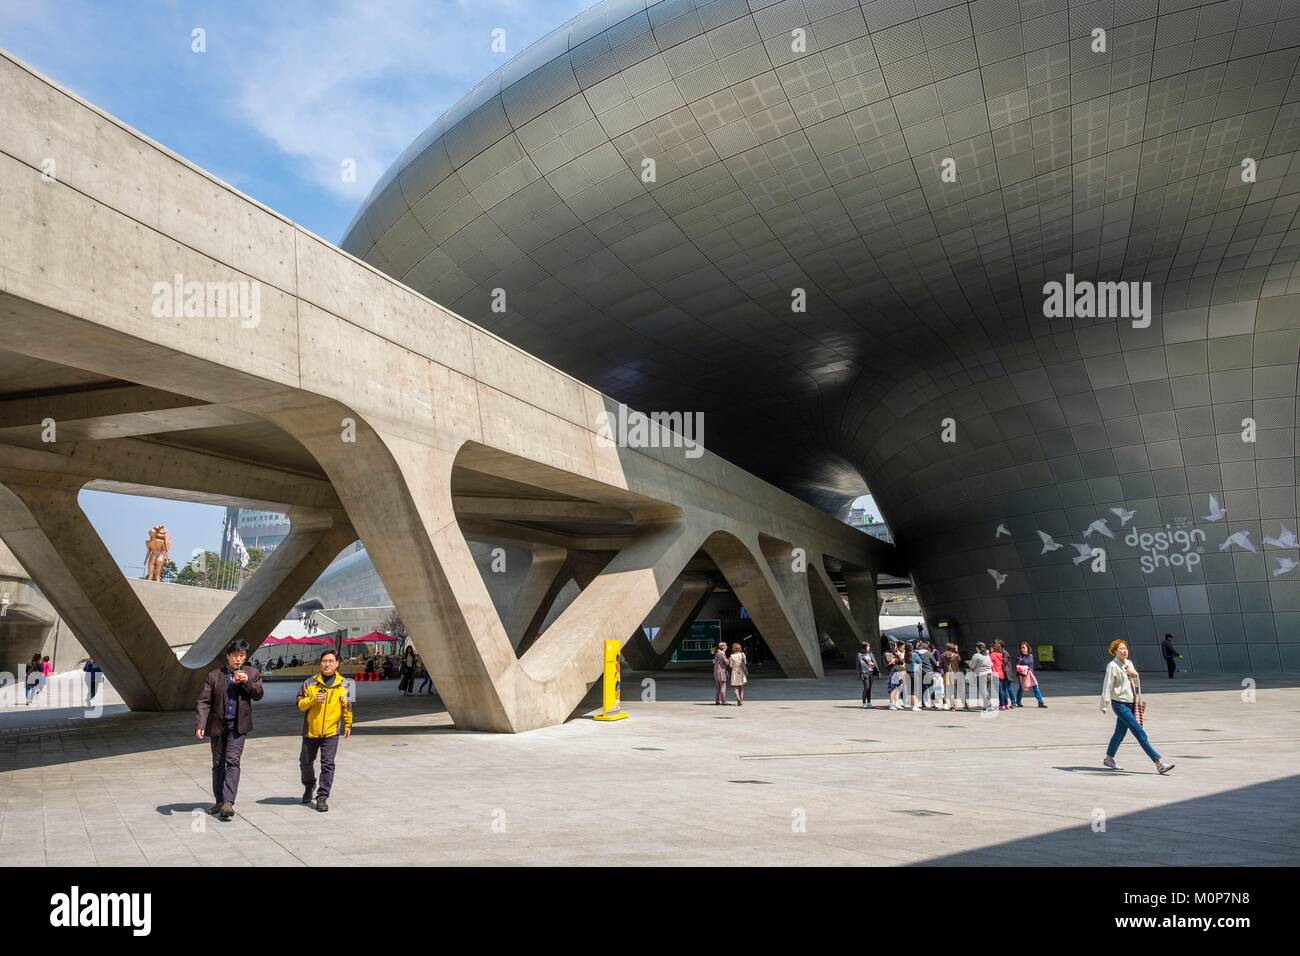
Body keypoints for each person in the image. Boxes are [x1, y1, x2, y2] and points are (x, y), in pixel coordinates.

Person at [194, 639, 264, 820]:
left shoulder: (253, 673)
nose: (238, 659)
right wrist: (201, 724)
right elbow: (204, 701)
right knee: (218, 763)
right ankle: (219, 800)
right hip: (217, 725)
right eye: (235, 655)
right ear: (228, 656)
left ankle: (228, 802)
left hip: (238, 727)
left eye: (241, 656)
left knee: (232, 761)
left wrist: (247, 683)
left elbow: (258, 695)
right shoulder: (214, 675)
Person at [1101, 639, 1175, 774]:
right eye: (1121, 649)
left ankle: (1109, 758)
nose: (1124, 651)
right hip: (1119, 704)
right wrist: (1104, 704)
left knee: (1119, 733)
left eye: (1125, 648)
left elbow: (1135, 678)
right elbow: (1108, 684)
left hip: (1130, 703)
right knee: (1139, 732)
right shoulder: (1112, 666)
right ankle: (1158, 763)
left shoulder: (1129, 663)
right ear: (1115, 652)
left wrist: (1134, 674)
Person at [297, 650, 353, 812]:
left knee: (328, 764)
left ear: (337, 664)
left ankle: (322, 797)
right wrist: (312, 700)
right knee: (305, 762)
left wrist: (348, 724)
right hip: (311, 731)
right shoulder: (309, 683)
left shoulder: (346, 684)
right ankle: (309, 785)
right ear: (320, 663)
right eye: (324, 661)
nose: (327, 664)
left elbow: (347, 706)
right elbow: (299, 704)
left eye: (330, 661)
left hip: (331, 732)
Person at [1014, 642, 1046, 708]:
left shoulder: (1031, 656)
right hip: (1023, 676)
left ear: (1027, 648)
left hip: (1031, 675)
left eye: (1024, 647)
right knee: (1021, 688)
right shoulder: (1020, 658)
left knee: (1036, 687)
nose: (1022, 649)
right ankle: (1018, 702)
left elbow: (1031, 666)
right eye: (1021, 648)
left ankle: (1040, 702)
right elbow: (1017, 667)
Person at [968, 643, 993, 712]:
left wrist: (968, 663)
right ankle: (986, 706)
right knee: (986, 691)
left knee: (983, 691)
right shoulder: (987, 655)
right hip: (989, 674)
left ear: (977, 648)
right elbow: (990, 664)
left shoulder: (976, 656)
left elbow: (972, 666)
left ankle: (989, 706)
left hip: (981, 675)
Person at [991, 640, 1014, 710]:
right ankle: (1005, 704)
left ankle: (1006, 704)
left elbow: (990, 662)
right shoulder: (1000, 654)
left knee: (1005, 689)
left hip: (1001, 673)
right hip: (1002, 674)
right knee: (1003, 690)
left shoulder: (1000, 653)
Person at [941, 642, 964, 710]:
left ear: (946, 648)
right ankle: (965, 704)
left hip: (947, 674)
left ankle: (952, 706)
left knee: (950, 690)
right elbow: (959, 661)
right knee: (960, 689)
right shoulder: (956, 655)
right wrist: (957, 651)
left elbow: (940, 665)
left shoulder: (943, 655)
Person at [856, 642, 877, 708]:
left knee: (869, 688)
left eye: (869, 646)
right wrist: (859, 673)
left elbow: (875, 664)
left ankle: (869, 702)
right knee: (866, 687)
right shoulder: (859, 655)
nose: (869, 648)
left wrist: (873, 665)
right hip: (864, 672)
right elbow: (858, 665)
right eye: (867, 646)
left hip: (871, 672)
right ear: (864, 647)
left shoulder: (870, 654)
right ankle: (864, 703)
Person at [885, 641, 905, 710]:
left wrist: (899, 657)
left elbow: (902, 662)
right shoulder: (887, 653)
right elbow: (885, 664)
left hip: (898, 672)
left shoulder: (896, 653)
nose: (896, 647)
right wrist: (890, 662)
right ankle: (891, 704)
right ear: (891, 646)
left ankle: (896, 703)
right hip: (892, 672)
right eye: (895, 646)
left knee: (898, 688)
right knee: (892, 688)